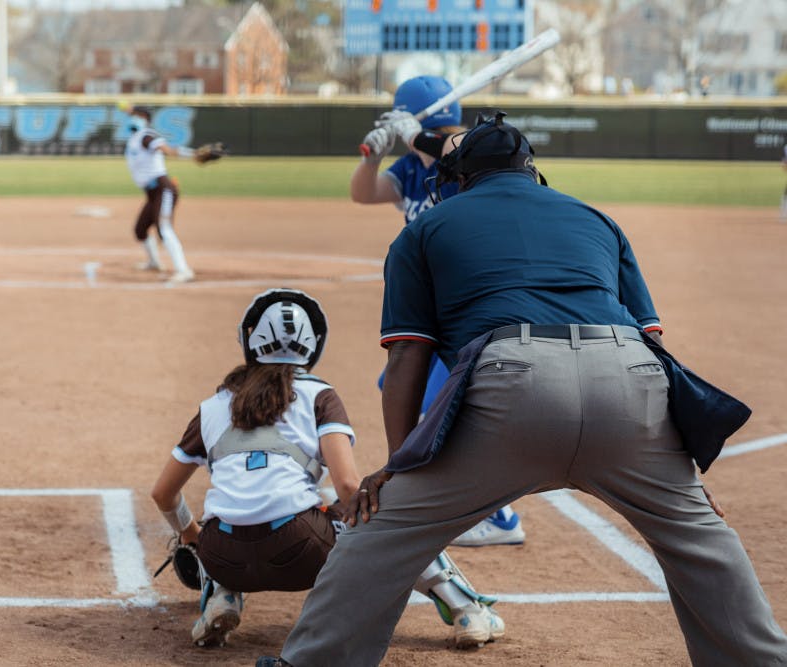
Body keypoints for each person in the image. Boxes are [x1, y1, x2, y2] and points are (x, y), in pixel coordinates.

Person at [256, 113, 787, 667]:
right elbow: (652, 343)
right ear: (531, 171)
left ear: (459, 178)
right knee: (702, 540)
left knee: (384, 529)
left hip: (513, 389)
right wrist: (684, 476)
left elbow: (409, 353)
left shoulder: (425, 229)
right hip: (629, 381)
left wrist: (400, 466)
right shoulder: (597, 218)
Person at [151, 288, 505, 649]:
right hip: (301, 551)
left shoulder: (213, 404)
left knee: (222, 515)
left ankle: (222, 595)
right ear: (311, 346)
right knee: (391, 512)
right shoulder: (319, 395)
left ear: (250, 340)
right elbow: (349, 486)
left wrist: (194, 538)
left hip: (222, 555)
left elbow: (163, 493)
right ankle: (466, 610)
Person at [354, 75, 525, 548]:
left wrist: (413, 134)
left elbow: (448, 152)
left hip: (463, 301)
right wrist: (372, 153)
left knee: (442, 403)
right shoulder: (411, 168)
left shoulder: (466, 150)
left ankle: (499, 514)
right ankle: (435, 494)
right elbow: (362, 194)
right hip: (430, 300)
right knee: (400, 390)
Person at [123, 105, 196, 285]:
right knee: (140, 229)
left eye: (138, 116)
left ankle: (183, 270)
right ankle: (154, 262)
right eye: (133, 115)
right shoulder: (134, 138)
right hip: (151, 192)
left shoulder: (147, 136)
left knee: (164, 228)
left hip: (163, 189)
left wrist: (193, 155)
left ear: (146, 118)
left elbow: (167, 149)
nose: (134, 118)